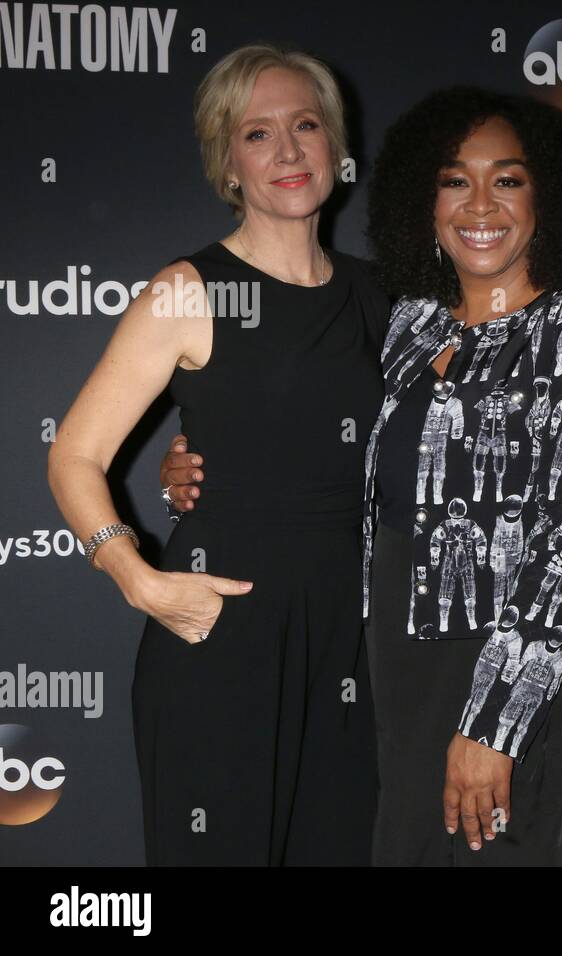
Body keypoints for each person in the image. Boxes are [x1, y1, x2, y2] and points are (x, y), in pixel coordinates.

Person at [163, 87, 562, 865]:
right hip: (402, 666)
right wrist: (189, 464)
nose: (480, 204)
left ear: (547, 195)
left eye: (509, 179)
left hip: (527, 671)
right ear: (424, 198)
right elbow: (330, 444)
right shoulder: (411, 322)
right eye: (455, 180)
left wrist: (494, 724)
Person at [48, 44, 383, 865]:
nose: (289, 151)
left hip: (358, 647)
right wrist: (139, 579)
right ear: (228, 163)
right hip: (220, 633)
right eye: (257, 134)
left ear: (335, 145)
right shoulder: (186, 291)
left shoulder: (385, 295)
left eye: (305, 125)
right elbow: (75, 456)